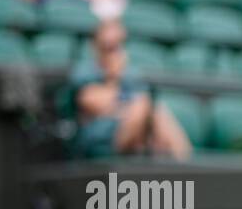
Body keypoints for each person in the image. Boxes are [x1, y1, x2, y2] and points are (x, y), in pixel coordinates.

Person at [71, 19, 192, 159]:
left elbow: (138, 105)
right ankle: (184, 164)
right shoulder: (85, 70)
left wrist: (124, 108)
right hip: (98, 135)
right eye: (108, 46)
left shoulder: (130, 74)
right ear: (95, 45)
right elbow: (93, 102)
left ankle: (186, 164)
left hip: (133, 132)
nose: (114, 51)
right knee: (143, 106)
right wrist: (114, 78)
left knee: (156, 109)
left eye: (118, 44)